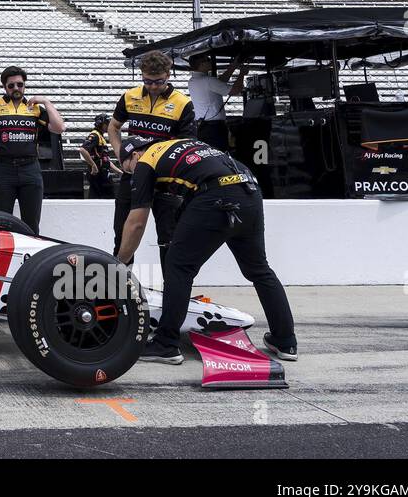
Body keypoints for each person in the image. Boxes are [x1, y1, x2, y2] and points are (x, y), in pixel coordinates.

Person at [116, 135, 297, 365]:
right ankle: (285, 341)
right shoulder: (180, 146)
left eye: (127, 169)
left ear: (134, 155)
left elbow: (137, 222)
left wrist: (119, 262)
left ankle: (165, 344)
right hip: (249, 189)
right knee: (259, 269)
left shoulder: (146, 161)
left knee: (178, 266)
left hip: (216, 195)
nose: (132, 174)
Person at [107, 50, 195, 269]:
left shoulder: (183, 103)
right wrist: (121, 155)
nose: (153, 86)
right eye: (148, 81)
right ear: (141, 75)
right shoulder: (130, 96)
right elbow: (113, 127)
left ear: (168, 74)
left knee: (169, 239)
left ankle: (172, 293)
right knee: (122, 234)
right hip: (134, 176)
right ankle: (120, 290)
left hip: (165, 180)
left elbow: (187, 145)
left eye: (159, 82)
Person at [0, 65, 65, 230]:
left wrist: (46, 101)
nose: (16, 88)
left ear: (24, 85)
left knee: (31, 225)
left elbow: (59, 127)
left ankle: (30, 256)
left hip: (30, 169)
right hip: (3, 170)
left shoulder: (35, 108)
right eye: (11, 85)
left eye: (20, 84)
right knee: (0, 224)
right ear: (4, 87)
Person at [188, 54, 247, 151]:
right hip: (214, 127)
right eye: (207, 59)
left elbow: (219, 83)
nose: (210, 61)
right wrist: (242, 74)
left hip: (202, 126)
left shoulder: (193, 80)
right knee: (220, 152)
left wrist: (234, 65)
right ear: (201, 64)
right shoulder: (208, 81)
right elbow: (235, 90)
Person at [79, 113, 118, 199]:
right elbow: (82, 149)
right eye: (107, 123)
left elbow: (106, 160)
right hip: (98, 175)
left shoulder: (101, 136)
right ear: (100, 123)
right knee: (99, 199)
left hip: (103, 174)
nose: (108, 125)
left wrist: (120, 172)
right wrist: (93, 165)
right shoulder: (95, 135)